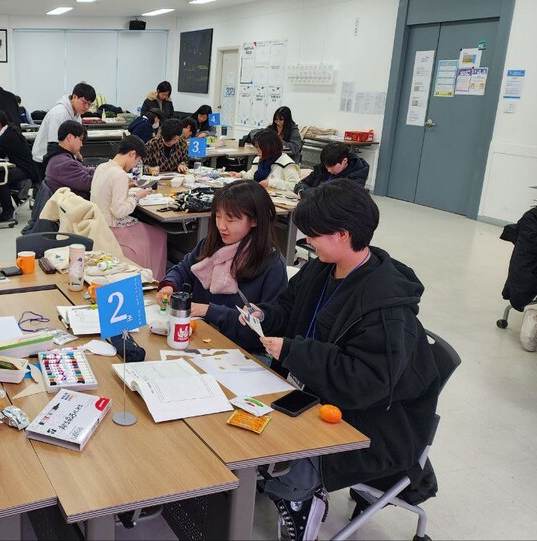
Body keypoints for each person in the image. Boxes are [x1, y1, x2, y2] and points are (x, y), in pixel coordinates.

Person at [241, 180, 441, 541]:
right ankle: (271, 479)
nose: (307, 241)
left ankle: (300, 501)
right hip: (316, 386)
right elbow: (290, 306)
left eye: (314, 234)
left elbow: (366, 381)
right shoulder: (324, 267)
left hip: (372, 418)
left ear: (343, 234)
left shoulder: (384, 308)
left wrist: (294, 352)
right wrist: (264, 316)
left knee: (292, 444)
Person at [156, 180, 287, 351]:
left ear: (254, 221)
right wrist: (170, 284)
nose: (221, 226)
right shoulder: (212, 244)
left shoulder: (271, 264)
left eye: (231, 219)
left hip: (243, 353)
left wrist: (210, 311)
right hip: (201, 337)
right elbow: (184, 269)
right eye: (218, 217)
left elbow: (263, 327)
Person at [90, 135, 168, 278]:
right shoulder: (119, 174)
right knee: (160, 235)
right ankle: (153, 279)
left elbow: (105, 192)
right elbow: (119, 211)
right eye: (137, 160)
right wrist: (137, 196)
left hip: (99, 223)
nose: (135, 165)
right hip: (113, 228)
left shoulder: (101, 167)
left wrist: (125, 187)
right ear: (132, 154)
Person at [31, 82, 97, 168]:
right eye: (84, 102)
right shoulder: (59, 114)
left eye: (89, 104)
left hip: (62, 158)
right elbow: (54, 146)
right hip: (45, 161)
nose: (86, 107)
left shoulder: (77, 115)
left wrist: (77, 154)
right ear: (74, 97)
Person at [229, 129, 301, 191]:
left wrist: (271, 183)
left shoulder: (286, 163)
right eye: (256, 147)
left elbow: (295, 186)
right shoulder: (258, 159)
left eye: (259, 148)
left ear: (269, 147)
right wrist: (241, 175)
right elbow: (252, 176)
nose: (257, 151)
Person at [294, 142, 370, 197]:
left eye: (332, 166)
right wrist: (300, 191)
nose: (329, 170)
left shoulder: (356, 177)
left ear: (344, 161)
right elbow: (302, 183)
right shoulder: (323, 168)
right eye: (327, 166)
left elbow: (332, 198)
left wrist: (306, 193)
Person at [43, 120, 95, 199]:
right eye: (80, 139)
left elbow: (84, 170)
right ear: (70, 137)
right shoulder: (63, 163)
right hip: (77, 208)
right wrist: (110, 176)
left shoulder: (60, 157)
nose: (81, 144)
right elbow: (89, 183)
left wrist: (101, 170)